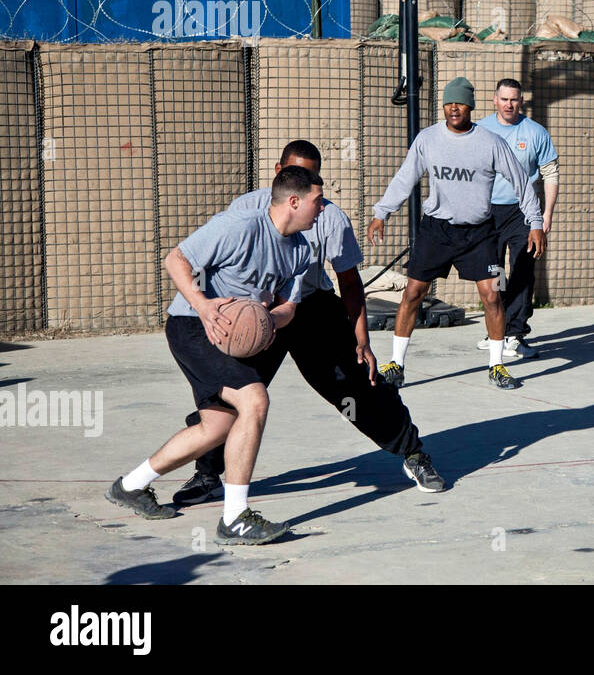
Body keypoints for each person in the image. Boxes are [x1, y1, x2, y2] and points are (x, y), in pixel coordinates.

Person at [170, 140, 447, 507]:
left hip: (311, 308)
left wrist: (361, 338)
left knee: (354, 388)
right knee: (231, 394)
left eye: (314, 176)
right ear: (279, 174)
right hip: (255, 313)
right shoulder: (246, 208)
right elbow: (203, 262)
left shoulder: (329, 218)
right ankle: (207, 475)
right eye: (295, 173)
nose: (307, 181)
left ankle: (412, 452)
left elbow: (349, 284)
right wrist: (207, 308)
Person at [105, 165, 322, 545]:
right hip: (192, 326)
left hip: (226, 336)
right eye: (318, 202)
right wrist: (204, 306)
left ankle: (131, 485)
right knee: (254, 400)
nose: (323, 209)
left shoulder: (302, 250)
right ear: (294, 201)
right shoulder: (239, 226)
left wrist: (268, 321)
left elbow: (289, 306)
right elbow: (176, 260)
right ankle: (235, 517)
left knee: (217, 428)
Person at [369, 77, 546, 391]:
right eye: (449, 102)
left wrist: (534, 223)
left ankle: (497, 366)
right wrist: (382, 212)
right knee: (412, 294)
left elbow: (522, 183)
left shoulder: (490, 142)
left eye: (460, 103)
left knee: (492, 296)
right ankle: (396, 364)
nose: (454, 108)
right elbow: (404, 177)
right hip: (437, 230)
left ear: (471, 107)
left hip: (479, 234)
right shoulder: (428, 139)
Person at [475, 78, 558, 360]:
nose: (509, 104)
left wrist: (545, 216)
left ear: (521, 102)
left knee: (523, 270)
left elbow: (550, 175)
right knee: (493, 272)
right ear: (494, 100)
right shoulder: (481, 130)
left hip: (523, 212)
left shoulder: (535, 132)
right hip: (488, 212)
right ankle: (496, 330)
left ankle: (515, 333)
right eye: (504, 99)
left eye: (514, 99)